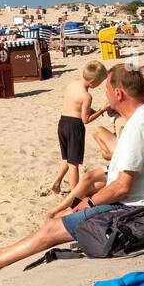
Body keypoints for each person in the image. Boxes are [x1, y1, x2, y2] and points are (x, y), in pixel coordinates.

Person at [0, 64, 144, 283]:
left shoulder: (140, 126)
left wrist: (87, 203)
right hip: (141, 203)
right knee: (59, 219)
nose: (105, 96)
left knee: (54, 227)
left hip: (137, 210)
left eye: (107, 90)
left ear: (118, 93)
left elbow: (122, 187)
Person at [49, 61, 108, 194]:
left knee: (68, 158)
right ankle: (74, 196)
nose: (99, 86)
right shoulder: (87, 96)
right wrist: (101, 111)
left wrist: (96, 110)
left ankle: (56, 182)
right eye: (99, 83)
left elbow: (78, 106)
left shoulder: (72, 85)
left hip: (62, 123)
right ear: (93, 81)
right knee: (74, 164)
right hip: (74, 127)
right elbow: (85, 119)